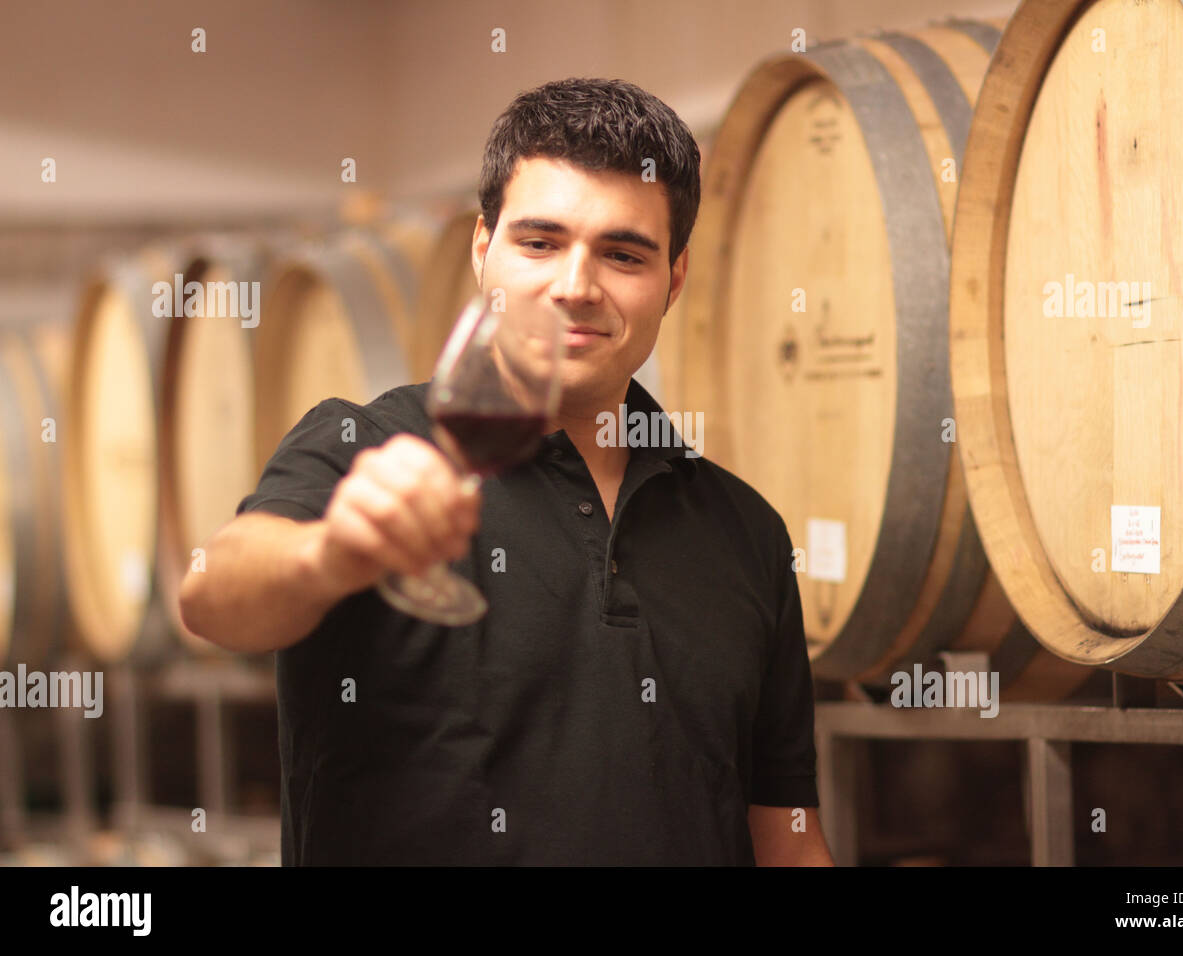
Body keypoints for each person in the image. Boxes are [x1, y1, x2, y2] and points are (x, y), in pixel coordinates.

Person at [180, 77, 833, 866]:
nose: (575, 287)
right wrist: (328, 557)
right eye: (540, 242)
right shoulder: (363, 445)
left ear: (677, 278)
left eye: (623, 254)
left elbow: (785, 839)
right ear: (483, 249)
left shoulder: (746, 533)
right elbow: (213, 598)